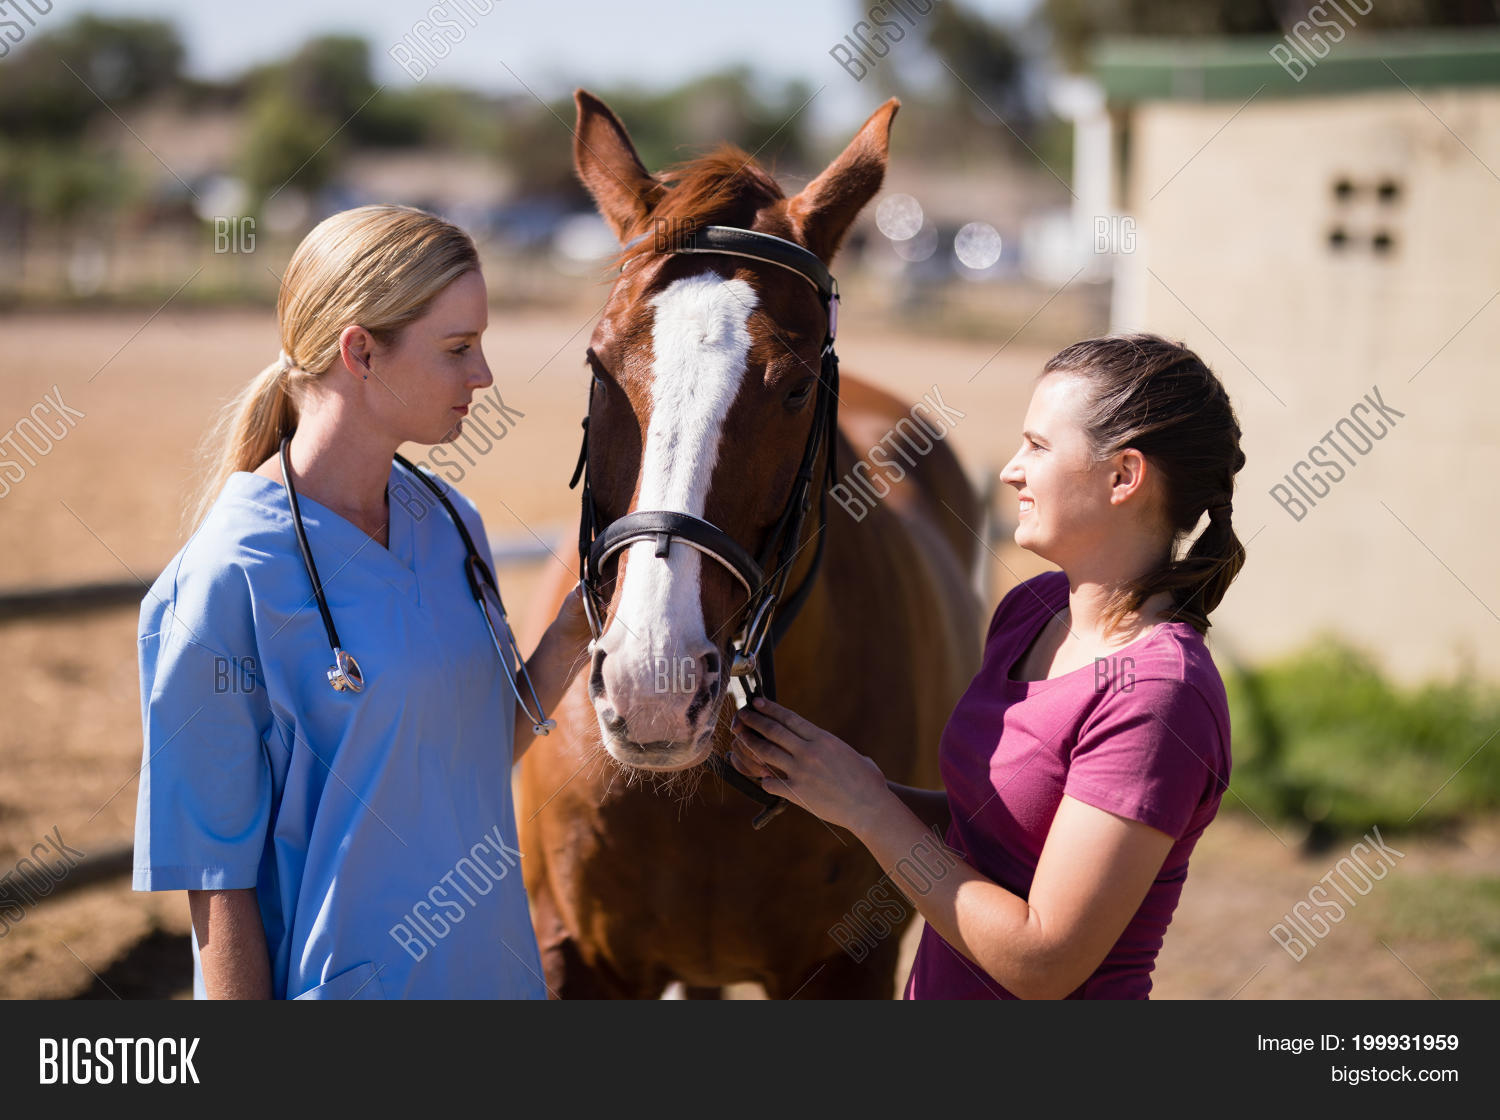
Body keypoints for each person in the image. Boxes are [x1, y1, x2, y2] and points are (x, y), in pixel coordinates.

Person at [132, 204, 591, 999]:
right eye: (458, 349)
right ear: (361, 352)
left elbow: (461, 756)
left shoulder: (451, 525)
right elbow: (216, 883)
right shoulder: (222, 581)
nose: (482, 376)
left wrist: (575, 635)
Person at [730, 333, 1245, 999]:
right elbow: (996, 834)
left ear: (1123, 476)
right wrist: (838, 783)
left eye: (1038, 446)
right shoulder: (1030, 611)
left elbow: (1042, 961)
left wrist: (869, 811)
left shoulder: (1160, 696)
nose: (1010, 470)